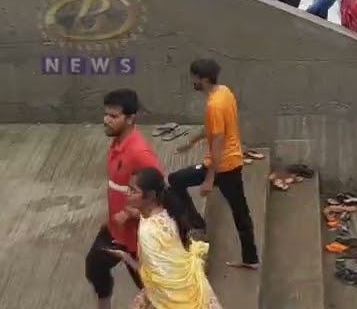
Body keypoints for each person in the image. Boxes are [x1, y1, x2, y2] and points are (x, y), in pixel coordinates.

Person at [171, 59, 259, 268]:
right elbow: (214, 128)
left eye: (194, 77)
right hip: (231, 162)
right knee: (240, 210)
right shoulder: (224, 92)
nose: (191, 81)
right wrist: (191, 142)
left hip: (224, 166)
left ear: (204, 79)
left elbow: (218, 140)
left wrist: (210, 178)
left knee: (176, 181)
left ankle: (197, 226)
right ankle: (250, 257)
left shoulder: (214, 105)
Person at [86, 89, 160, 309]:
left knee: (153, 294)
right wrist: (111, 217)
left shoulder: (140, 154)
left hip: (137, 240)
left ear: (130, 119)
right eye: (106, 114)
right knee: (95, 266)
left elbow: (160, 198)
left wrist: (129, 213)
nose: (106, 120)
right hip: (114, 230)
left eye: (113, 116)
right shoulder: (117, 143)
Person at [112, 167, 223, 309]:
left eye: (133, 190)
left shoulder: (148, 233)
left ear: (150, 195)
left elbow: (156, 279)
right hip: (193, 287)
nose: (128, 194)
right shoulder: (166, 210)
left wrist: (126, 258)